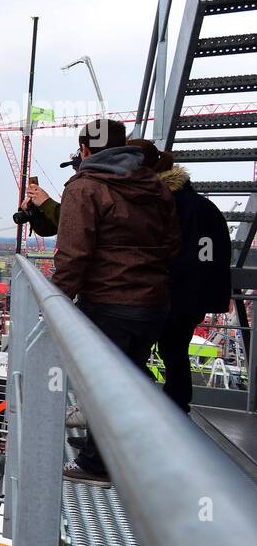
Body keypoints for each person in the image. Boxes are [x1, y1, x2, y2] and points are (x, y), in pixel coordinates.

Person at [49, 120, 180, 484]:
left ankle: (98, 464)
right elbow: (172, 246)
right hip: (152, 302)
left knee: (103, 387)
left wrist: (53, 300)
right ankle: (115, 452)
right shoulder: (154, 185)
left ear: (86, 150)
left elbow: (73, 255)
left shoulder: (85, 187)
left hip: (109, 302)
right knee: (130, 378)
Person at [128, 141, 232, 413]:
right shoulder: (204, 206)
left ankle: (146, 402)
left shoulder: (165, 204)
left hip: (171, 292)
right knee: (174, 350)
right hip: (196, 295)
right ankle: (175, 405)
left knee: (130, 348)